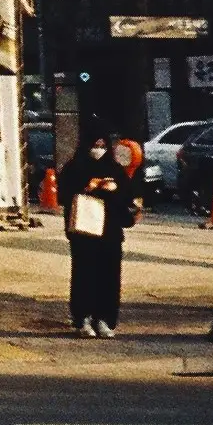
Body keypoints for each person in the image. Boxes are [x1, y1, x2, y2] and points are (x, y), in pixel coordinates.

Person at [64, 133, 135, 339]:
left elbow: (127, 198)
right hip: (84, 233)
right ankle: (83, 318)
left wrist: (112, 190)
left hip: (110, 233)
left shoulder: (115, 170)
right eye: (94, 144)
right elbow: (65, 196)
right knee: (84, 276)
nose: (98, 149)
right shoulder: (74, 168)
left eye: (102, 145)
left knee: (109, 277)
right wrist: (88, 188)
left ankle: (105, 319)